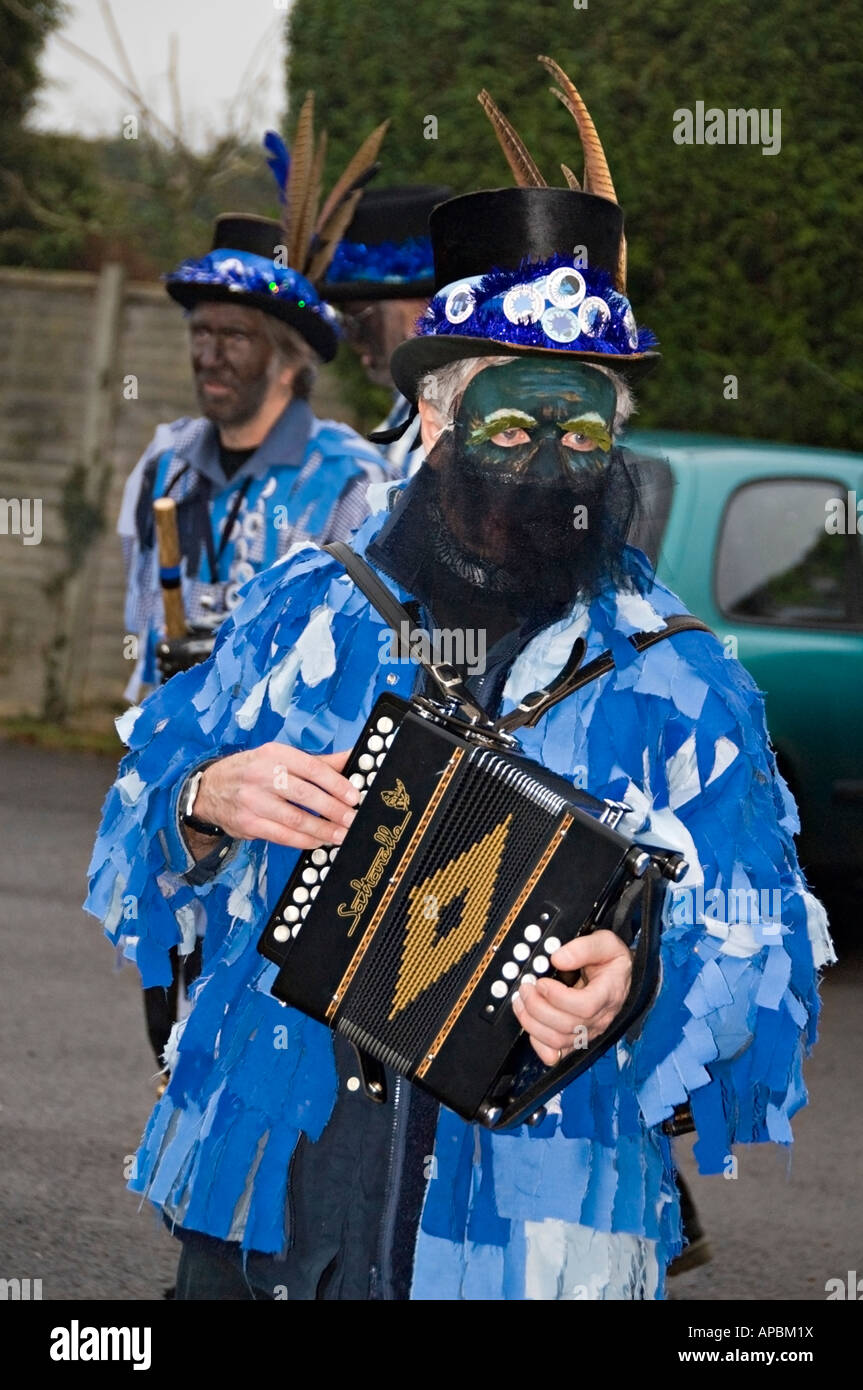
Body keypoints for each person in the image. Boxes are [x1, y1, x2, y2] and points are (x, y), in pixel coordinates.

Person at [86, 59, 832, 1301]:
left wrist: (633, 984)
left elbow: (770, 974)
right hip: (267, 1203)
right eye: (508, 425)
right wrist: (203, 795)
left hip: (526, 1246)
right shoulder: (305, 609)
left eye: (583, 431)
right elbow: (131, 832)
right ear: (431, 424)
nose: (549, 463)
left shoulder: (683, 682)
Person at [117, 110, 396, 1076]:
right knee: (175, 1042)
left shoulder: (352, 482)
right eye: (200, 332)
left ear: (289, 354)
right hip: (181, 806)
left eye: (233, 334)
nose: (209, 354)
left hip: (293, 811)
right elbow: (139, 650)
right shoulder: (161, 467)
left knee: (277, 1056)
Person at [321, 184, 450, 473]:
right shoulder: (389, 437)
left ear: (417, 306)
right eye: (345, 326)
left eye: (360, 323)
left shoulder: (468, 427)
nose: (357, 348)